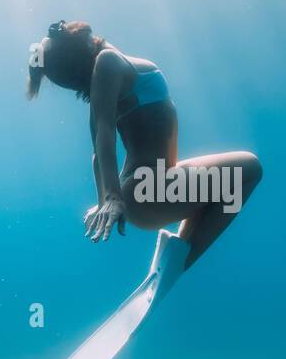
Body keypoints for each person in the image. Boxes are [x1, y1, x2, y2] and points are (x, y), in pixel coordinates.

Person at [27, 20, 261, 270]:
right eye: (61, 32)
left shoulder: (105, 74)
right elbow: (104, 137)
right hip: (148, 189)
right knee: (249, 170)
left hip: (147, 189)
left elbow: (98, 150)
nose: (66, 26)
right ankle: (181, 264)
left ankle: (177, 255)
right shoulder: (107, 61)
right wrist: (112, 198)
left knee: (218, 187)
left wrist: (104, 200)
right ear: (75, 47)